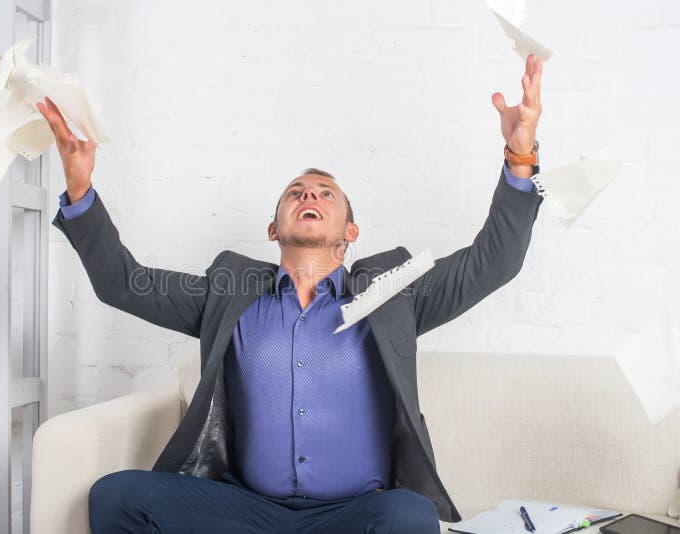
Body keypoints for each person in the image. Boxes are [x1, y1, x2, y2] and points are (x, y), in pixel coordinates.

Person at [39, 54, 545, 534]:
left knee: (409, 515)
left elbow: (493, 261)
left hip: (354, 513)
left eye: (326, 194)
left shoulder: (393, 295)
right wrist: (80, 188)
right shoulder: (229, 292)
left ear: (350, 231)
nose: (309, 196)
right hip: (249, 512)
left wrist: (520, 155)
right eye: (296, 193)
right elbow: (123, 283)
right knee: (116, 496)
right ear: (273, 227)